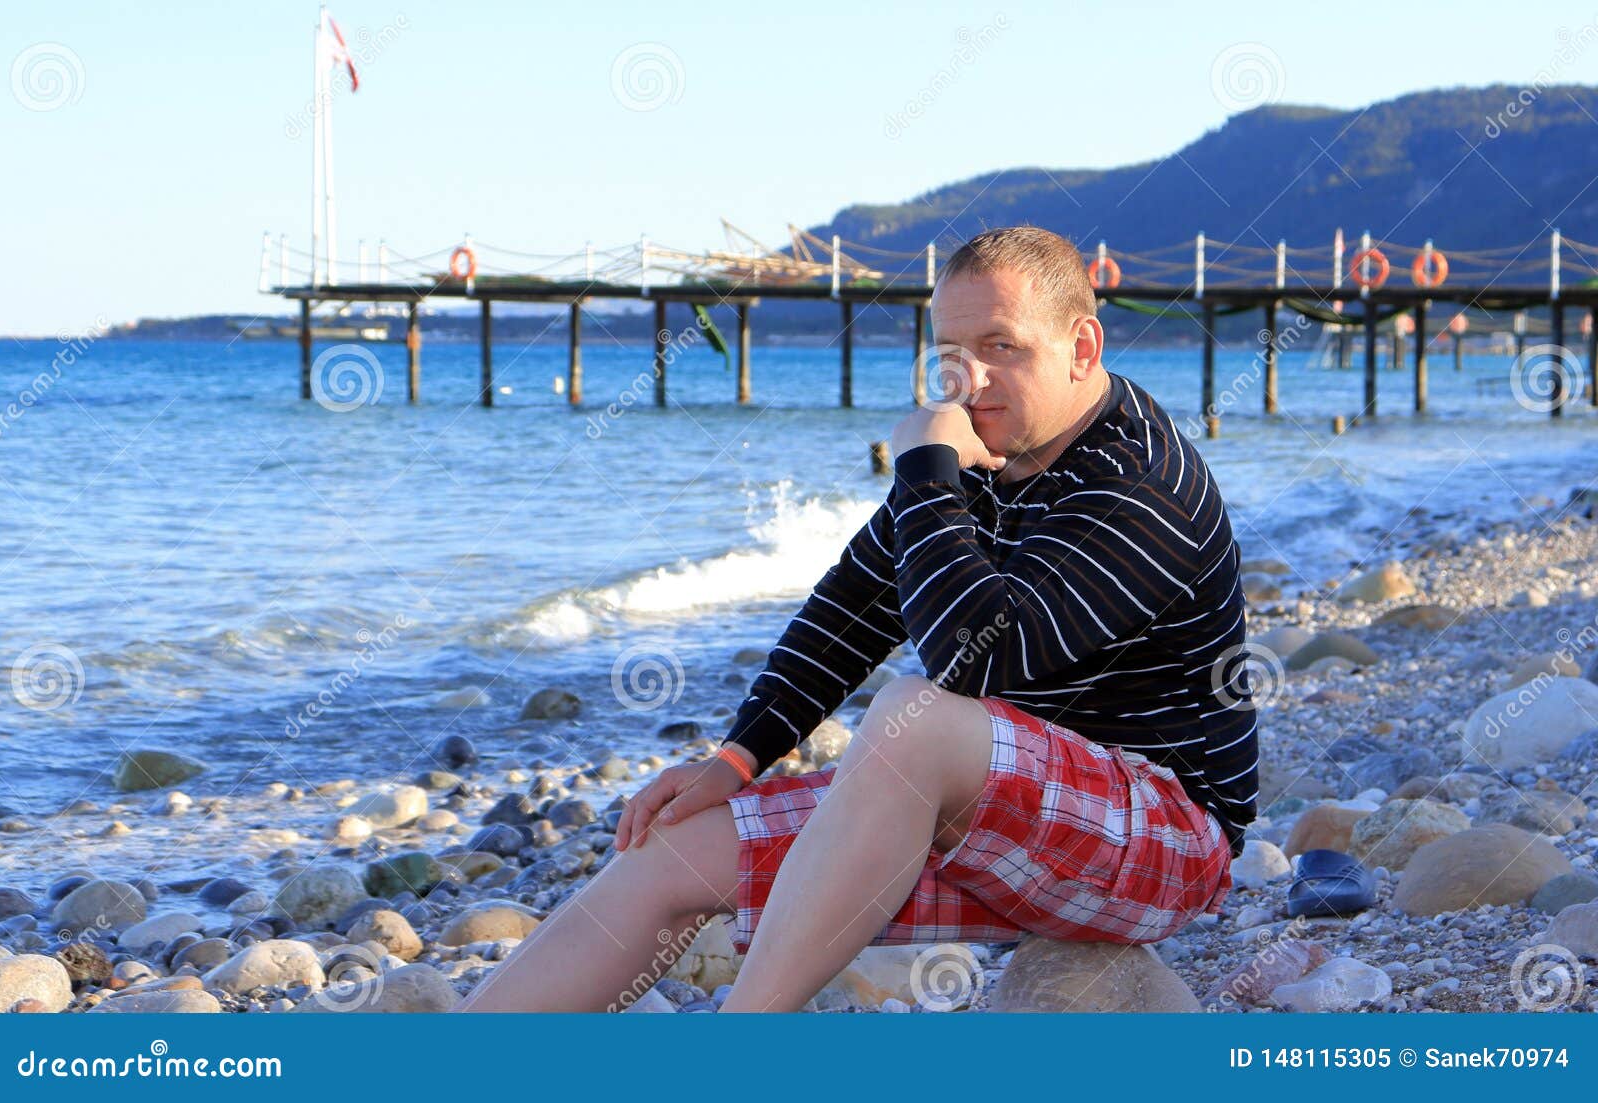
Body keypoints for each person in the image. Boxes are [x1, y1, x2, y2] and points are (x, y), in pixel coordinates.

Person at [454, 225, 1257, 1014]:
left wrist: (926, 472)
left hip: (1164, 841)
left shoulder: (1141, 482)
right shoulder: (990, 449)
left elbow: (972, 661)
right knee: (665, 856)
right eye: (951, 350)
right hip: (999, 820)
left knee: (915, 715)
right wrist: (737, 758)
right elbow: (857, 604)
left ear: (1082, 348)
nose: (968, 378)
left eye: (1002, 346)